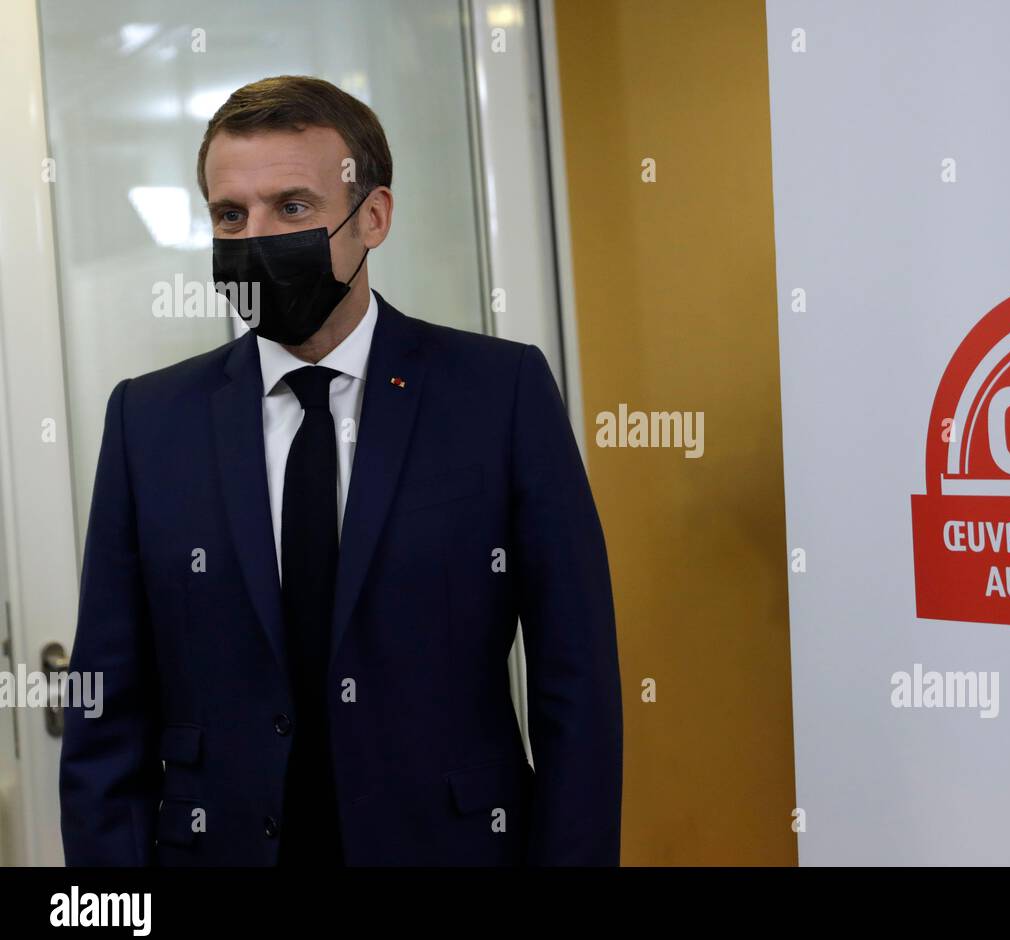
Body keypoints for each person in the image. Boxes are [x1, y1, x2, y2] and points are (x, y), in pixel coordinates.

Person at [58, 75, 622, 866]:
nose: (255, 237)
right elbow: (105, 712)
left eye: (291, 207)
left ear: (374, 217)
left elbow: (579, 684)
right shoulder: (149, 422)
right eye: (230, 214)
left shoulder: (500, 395)